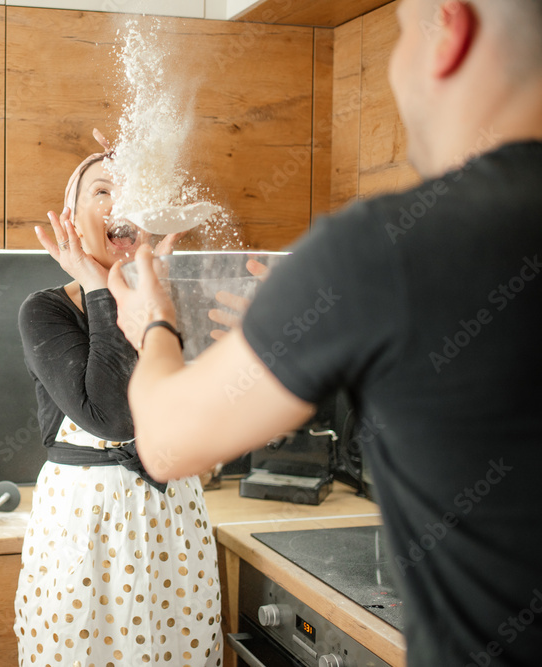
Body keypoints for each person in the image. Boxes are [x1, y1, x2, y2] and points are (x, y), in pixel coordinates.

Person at [106, 1, 542, 665]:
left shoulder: (386, 249)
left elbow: (166, 442)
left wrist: (154, 324)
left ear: (447, 30)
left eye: (399, 36)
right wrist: (293, 326)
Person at [14, 129, 224, 666]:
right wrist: (100, 287)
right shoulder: (45, 311)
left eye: (134, 190)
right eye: (104, 190)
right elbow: (108, 415)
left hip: (171, 515)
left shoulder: (178, 304)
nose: (121, 202)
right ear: (70, 215)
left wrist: (157, 297)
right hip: (84, 525)